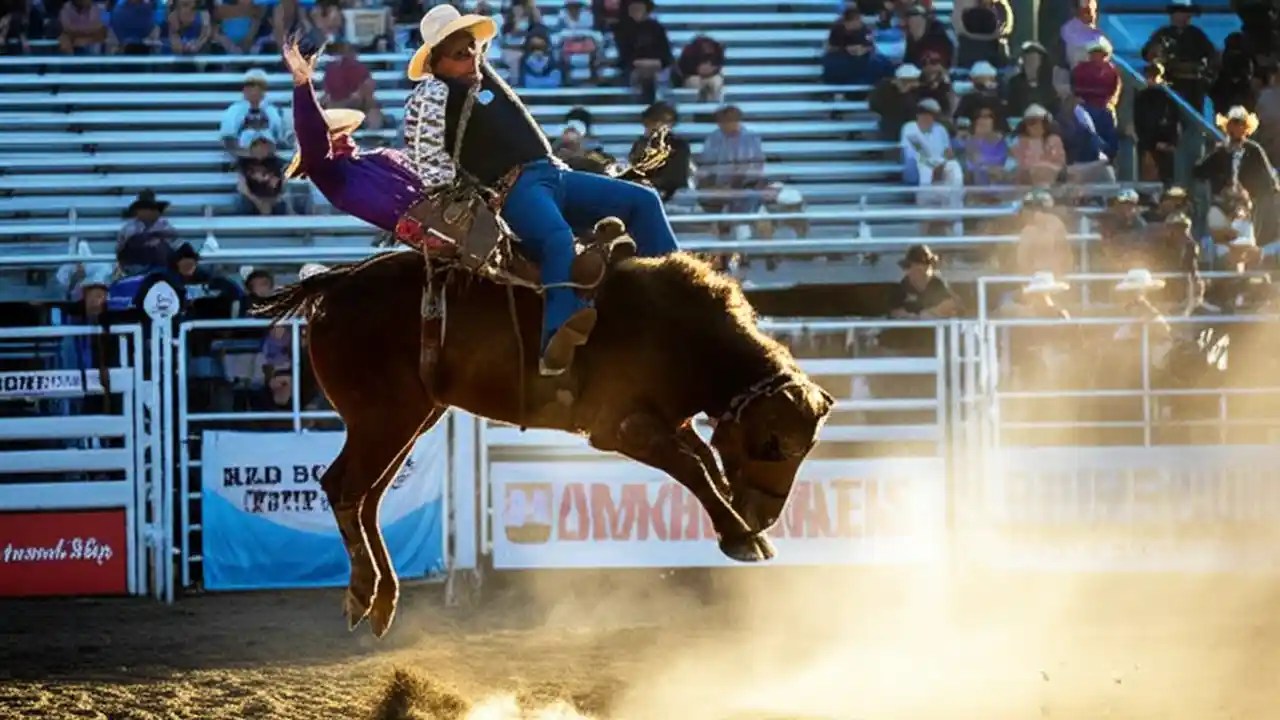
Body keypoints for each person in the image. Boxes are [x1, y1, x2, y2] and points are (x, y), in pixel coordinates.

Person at [401, 4, 679, 376]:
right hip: (515, 187)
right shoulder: (434, 93)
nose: (470, 56)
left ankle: (678, 289)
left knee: (643, 200)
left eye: (472, 48)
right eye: (458, 53)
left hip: (554, 175)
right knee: (555, 237)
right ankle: (556, 337)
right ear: (436, 63)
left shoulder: (483, 77)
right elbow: (427, 156)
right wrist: (467, 199)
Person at [1195, 106, 1280, 246]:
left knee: (1247, 236)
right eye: (1232, 124)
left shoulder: (1254, 150)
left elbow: (1268, 180)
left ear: (1245, 128)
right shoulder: (1221, 152)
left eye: (1238, 124)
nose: (1234, 129)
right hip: (1224, 202)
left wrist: (1251, 194)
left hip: (1249, 204)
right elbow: (1199, 171)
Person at [1141, 0, 1218, 111]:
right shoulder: (1162, 33)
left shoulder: (1196, 34)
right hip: (1169, 84)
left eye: (1188, 13)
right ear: (1173, 15)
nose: (1187, 16)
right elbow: (1147, 54)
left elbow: (1212, 56)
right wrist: (1155, 54)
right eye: (1182, 12)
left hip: (1193, 87)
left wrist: (1206, 78)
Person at [901, 98, 963, 209]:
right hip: (918, 163)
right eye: (924, 114)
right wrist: (933, 166)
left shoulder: (940, 129)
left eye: (931, 115)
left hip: (940, 163)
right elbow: (915, 153)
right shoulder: (909, 128)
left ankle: (954, 207)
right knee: (925, 168)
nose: (927, 117)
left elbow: (947, 151)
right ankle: (926, 204)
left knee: (954, 166)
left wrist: (943, 163)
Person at [1134, 62, 1180, 186]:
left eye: (1155, 75)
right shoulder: (1141, 97)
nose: (1152, 78)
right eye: (1149, 75)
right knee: (1146, 176)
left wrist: (1170, 142)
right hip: (1146, 144)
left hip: (1164, 144)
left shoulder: (1169, 97)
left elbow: (1174, 120)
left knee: (1166, 178)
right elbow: (1139, 123)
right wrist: (1147, 147)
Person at [887, 244, 960, 319]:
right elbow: (894, 313)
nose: (910, 272)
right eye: (907, 267)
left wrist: (928, 314)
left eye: (921, 268)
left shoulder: (939, 287)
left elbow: (949, 307)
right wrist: (916, 316)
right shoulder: (900, 289)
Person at [1006, 41, 1058, 118]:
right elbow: (1012, 109)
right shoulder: (1015, 83)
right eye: (1026, 60)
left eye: (1033, 60)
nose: (1029, 64)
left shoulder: (1050, 85)